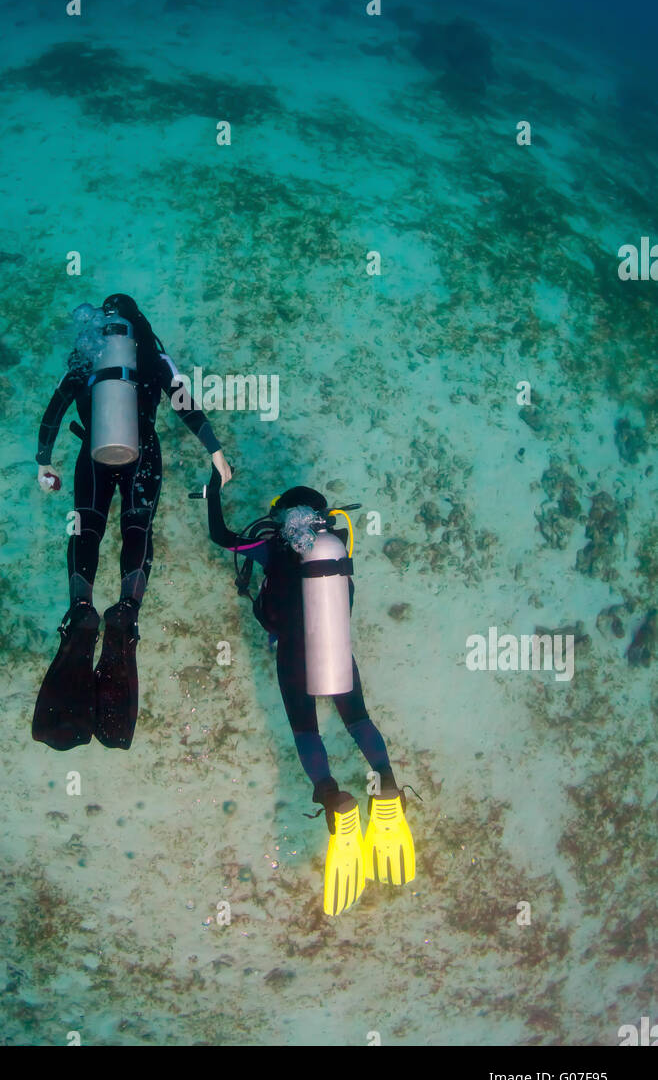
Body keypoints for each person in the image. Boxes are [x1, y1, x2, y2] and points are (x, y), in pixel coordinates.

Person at [200, 466, 415, 916]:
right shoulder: (336, 546)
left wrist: (212, 490)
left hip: (293, 651)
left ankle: (336, 800)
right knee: (358, 719)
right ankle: (388, 785)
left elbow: (221, 536)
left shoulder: (270, 543)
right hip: (336, 646)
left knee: (306, 732)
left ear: (281, 517)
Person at [32, 294, 232, 752]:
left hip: (92, 458)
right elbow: (184, 403)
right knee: (136, 529)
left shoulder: (89, 355)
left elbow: (54, 410)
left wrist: (43, 463)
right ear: (137, 320)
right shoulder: (149, 353)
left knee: (87, 526)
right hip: (143, 456)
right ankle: (126, 612)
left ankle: (81, 610)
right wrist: (215, 452)